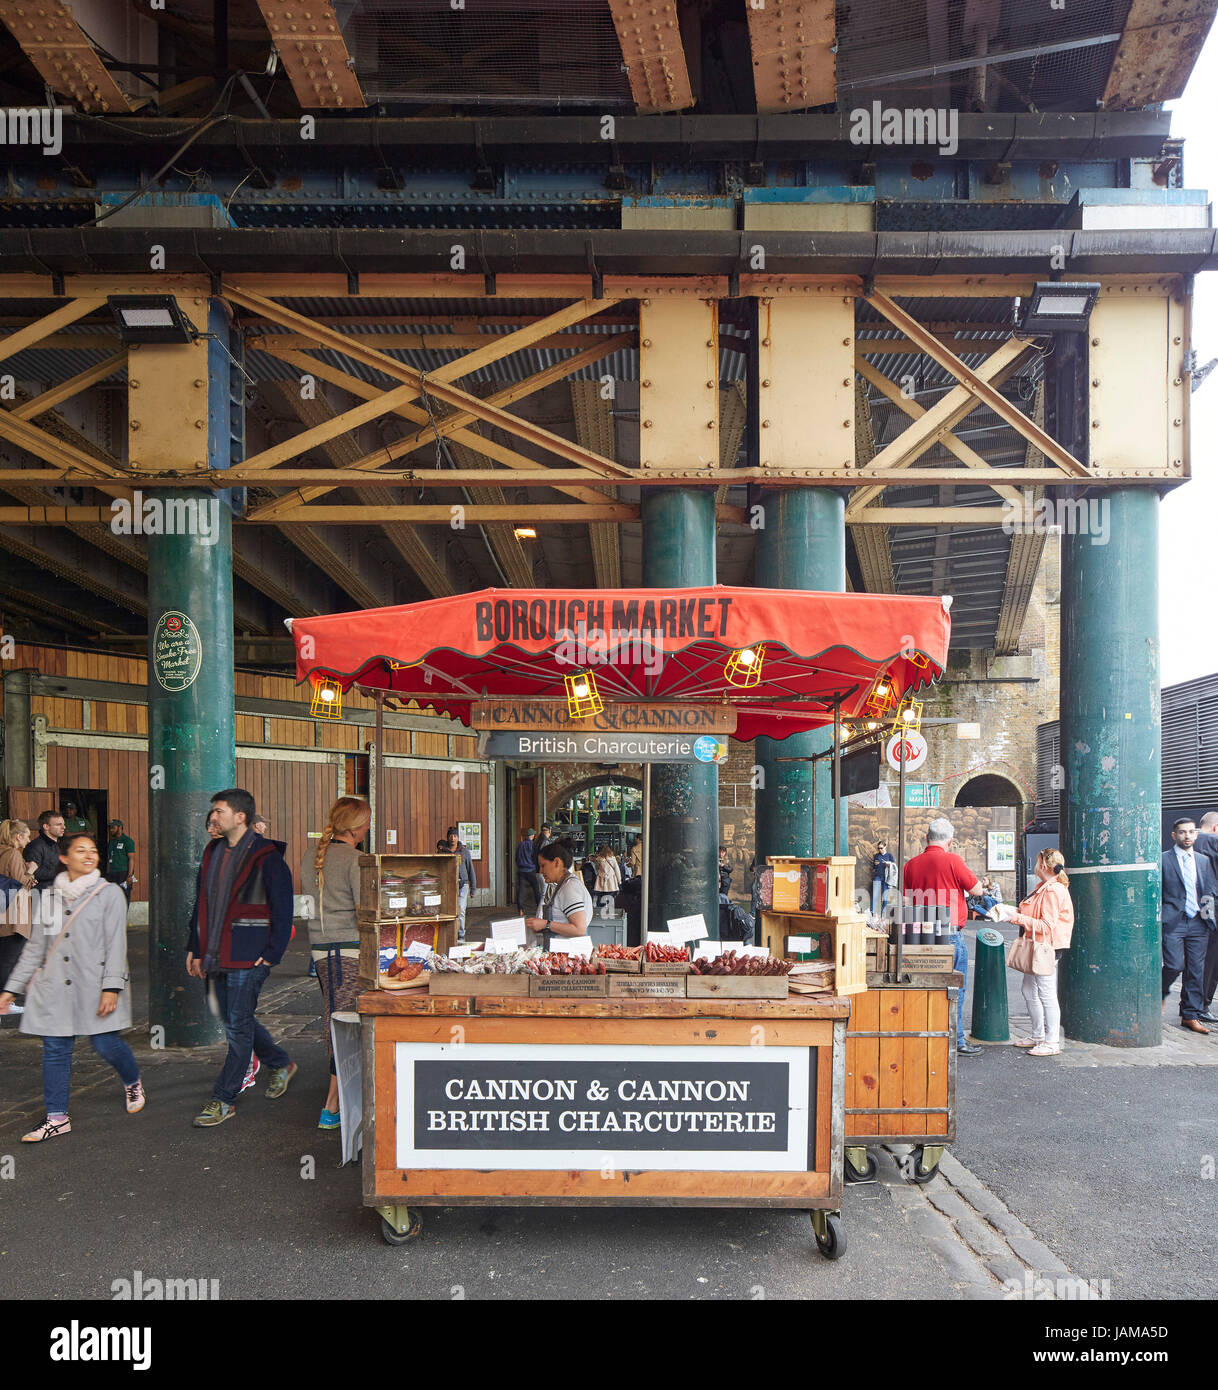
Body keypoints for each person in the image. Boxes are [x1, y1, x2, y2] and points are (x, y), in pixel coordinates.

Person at [0, 832, 144, 1140]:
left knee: (106, 1045)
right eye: (81, 851)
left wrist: (111, 988)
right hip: (55, 988)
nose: (90, 855)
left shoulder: (109, 895)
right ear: (64, 858)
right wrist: (11, 988)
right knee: (55, 1050)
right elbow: (37, 947)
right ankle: (57, 1118)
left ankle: (132, 1081)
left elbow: (115, 945)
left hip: (96, 985)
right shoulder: (50, 896)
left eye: (93, 850)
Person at [186, 787, 296, 1127]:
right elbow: (201, 904)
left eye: (219, 811)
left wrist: (270, 955)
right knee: (235, 1018)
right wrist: (195, 947)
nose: (213, 817)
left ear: (240, 817)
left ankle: (224, 1098)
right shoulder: (212, 852)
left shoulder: (267, 857)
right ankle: (280, 1063)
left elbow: (283, 908)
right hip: (216, 955)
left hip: (251, 957)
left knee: (236, 1026)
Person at [300, 796, 370, 1132]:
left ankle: (341, 1099)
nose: (368, 828)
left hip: (320, 951)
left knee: (334, 1017)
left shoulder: (310, 857)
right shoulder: (356, 860)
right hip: (350, 952)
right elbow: (364, 912)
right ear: (357, 828)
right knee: (344, 1025)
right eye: (367, 823)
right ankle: (332, 1107)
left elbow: (308, 907)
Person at [902, 817, 986, 1056]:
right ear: (950, 840)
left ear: (927, 838)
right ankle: (956, 1040)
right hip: (949, 935)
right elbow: (977, 889)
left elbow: (907, 901)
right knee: (953, 990)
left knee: (923, 988)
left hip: (918, 934)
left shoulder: (911, 864)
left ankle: (924, 1035)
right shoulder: (953, 860)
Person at [995, 848, 1075, 1057]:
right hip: (1039, 945)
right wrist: (1012, 911)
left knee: (1046, 994)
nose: (1034, 865)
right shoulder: (1044, 887)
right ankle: (1039, 1036)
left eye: (1037, 861)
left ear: (1043, 865)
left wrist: (1014, 917)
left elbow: (1047, 925)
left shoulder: (1052, 890)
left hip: (1046, 947)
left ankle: (1051, 1041)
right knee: (1030, 991)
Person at [1160, 816, 1218, 1034]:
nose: (1187, 836)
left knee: (1196, 970)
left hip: (1199, 922)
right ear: (1174, 835)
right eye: (1182, 832)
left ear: (1196, 834)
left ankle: (1190, 1015)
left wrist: (1208, 917)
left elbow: (1210, 889)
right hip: (1174, 921)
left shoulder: (1203, 860)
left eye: (1191, 832)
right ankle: (1159, 992)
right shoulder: (1164, 859)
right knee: (1175, 965)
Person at [525, 839, 593, 947]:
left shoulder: (569, 888)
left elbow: (579, 929)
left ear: (557, 862)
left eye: (543, 865)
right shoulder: (565, 884)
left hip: (572, 953)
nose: (541, 871)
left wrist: (545, 924)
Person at [0, 819, 36, 1014]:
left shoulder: (2, 852)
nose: (29, 840)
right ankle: (4, 1003)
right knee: (9, 959)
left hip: (3, 910)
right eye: (27, 836)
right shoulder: (13, 853)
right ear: (17, 837)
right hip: (13, 914)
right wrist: (31, 869)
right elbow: (19, 882)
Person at [1194, 811, 1218, 1022]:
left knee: (1197, 958)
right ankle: (1202, 1005)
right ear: (1216, 828)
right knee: (1211, 959)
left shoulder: (1186, 841)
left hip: (1191, 907)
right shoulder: (1213, 841)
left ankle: (1193, 1005)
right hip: (1212, 906)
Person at [445, 826, 476, 942]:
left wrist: (473, 888)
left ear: (458, 838)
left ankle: (461, 935)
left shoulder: (464, 851)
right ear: (447, 838)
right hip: (448, 885)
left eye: (455, 836)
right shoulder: (443, 851)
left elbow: (470, 870)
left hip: (463, 885)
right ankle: (449, 934)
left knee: (461, 910)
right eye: (451, 836)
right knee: (448, 911)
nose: (453, 838)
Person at [27, 810, 65, 890]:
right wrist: (61, 872)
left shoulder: (58, 844)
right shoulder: (35, 846)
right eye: (59, 825)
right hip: (41, 895)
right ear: (46, 827)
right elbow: (32, 872)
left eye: (63, 824)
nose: (63, 827)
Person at [104, 818, 135, 900]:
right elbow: (109, 858)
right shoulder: (111, 842)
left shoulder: (127, 841)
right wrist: (107, 874)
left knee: (123, 897)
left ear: (120, 828)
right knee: (112, 897)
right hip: (112, 873)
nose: (111, 830)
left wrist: (129, 875)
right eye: (110, 828)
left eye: (113, 828)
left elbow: (131, 859)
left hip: (123, 873)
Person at [515, 827, 540, 915]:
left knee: (521, 890)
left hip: (521, 870)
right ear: (532, 835)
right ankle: (539, 907)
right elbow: (535, 858)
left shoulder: (520, 845)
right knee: (536, 889)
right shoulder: (532, 845)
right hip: (531, 870)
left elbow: (516, 858)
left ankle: (520, 910)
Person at [870, 839, 897, 918]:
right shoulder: (876, 856)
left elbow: (894, 867)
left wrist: (889, 865)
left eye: (881, 848)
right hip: (878, 877)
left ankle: (883, 914)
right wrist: (875, 866)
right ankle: (872, 912)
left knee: (885, 897)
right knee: (875, 895)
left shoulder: (889, 856)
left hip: (887, 878)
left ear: (885, 847)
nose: (880, 850)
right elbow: (874, 866)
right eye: (878, 848)